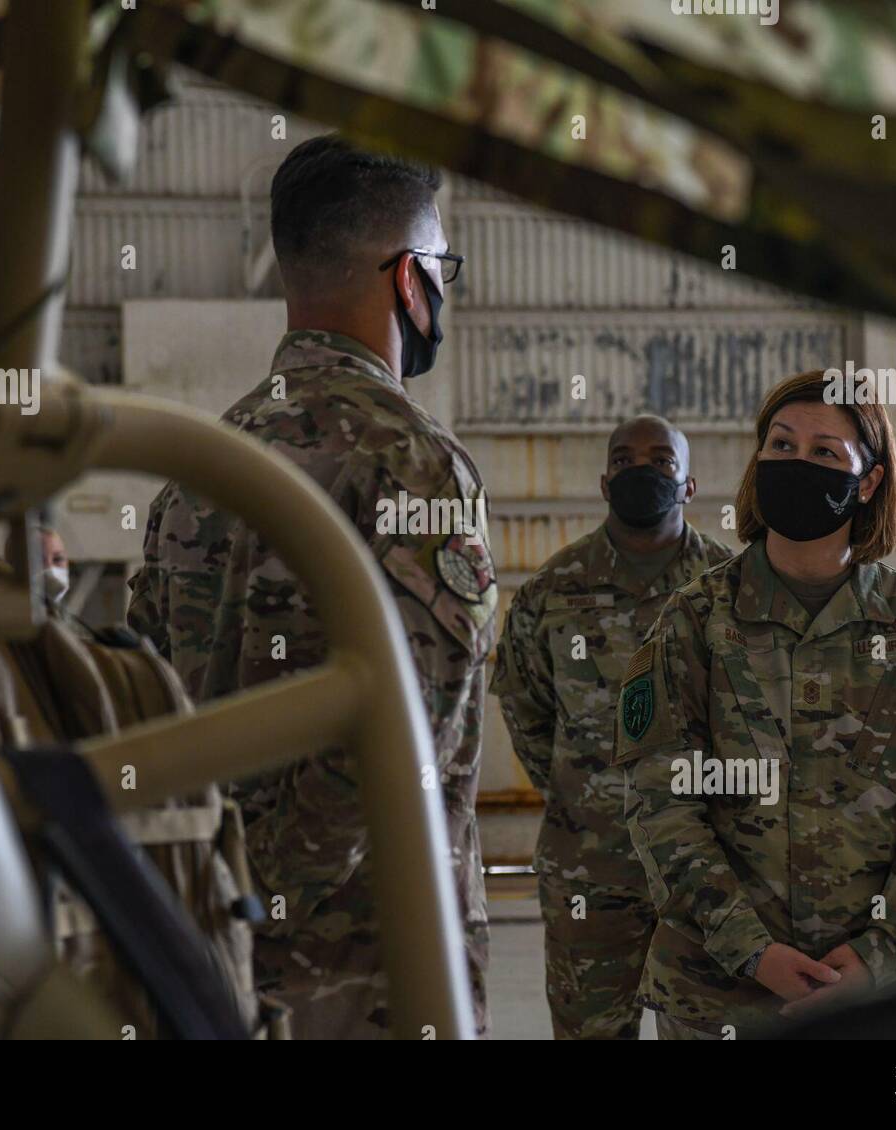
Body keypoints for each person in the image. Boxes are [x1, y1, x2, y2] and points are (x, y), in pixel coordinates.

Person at [126, 135, 495, 1039]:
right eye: (442, 266)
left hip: (220, 953)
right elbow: (411, 728)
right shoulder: (415, 463)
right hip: (381, 966)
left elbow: (148, 690)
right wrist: (282, 896)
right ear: (410, 280)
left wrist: (238, 907)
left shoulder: (201, 466)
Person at [614, 369, 896, 1038]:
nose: (796, 463)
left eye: (825, 452)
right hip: (725, 996)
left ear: (869, 481)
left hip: (894, 995)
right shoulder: (694, 620)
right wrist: (752, 948)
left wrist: (877, 953)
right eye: (781, 444)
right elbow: (660, 800)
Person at [490, 415, 732, 1039]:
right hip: (589, 871)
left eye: (661, 461)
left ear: (690, 485)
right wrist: (587, 793)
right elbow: (526, 709)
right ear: (603, 482)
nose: (641, 471)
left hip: (710, 872)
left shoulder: (735, 591)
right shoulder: (552, 590)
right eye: (624, 461)